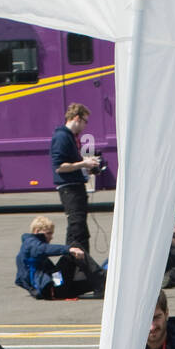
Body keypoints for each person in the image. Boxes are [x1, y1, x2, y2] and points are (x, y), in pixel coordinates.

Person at [50, 101, 104, 254]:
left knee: (78, 228)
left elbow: (71, 163)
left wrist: (87, 166)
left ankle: (78, 264)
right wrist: (83, 163)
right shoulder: (62, 136)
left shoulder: (70, 137)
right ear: (77, 118)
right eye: (85, 121)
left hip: (75, 186)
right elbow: (59, 167)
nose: (85, 126)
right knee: (76, 227)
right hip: (69, 188)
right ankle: (74, 263)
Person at [15, 215, 105, 300]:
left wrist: (34, 290)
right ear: (37, 231)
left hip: (54, 289)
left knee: (90, 282)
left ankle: (104, 282)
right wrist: (70, 249)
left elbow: (19, 280)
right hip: (53, 289)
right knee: (74, 247)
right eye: (48, 233)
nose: (51, 237)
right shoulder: (31, 244)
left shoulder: (27, 249)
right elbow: (45, 249)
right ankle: (101, 280)